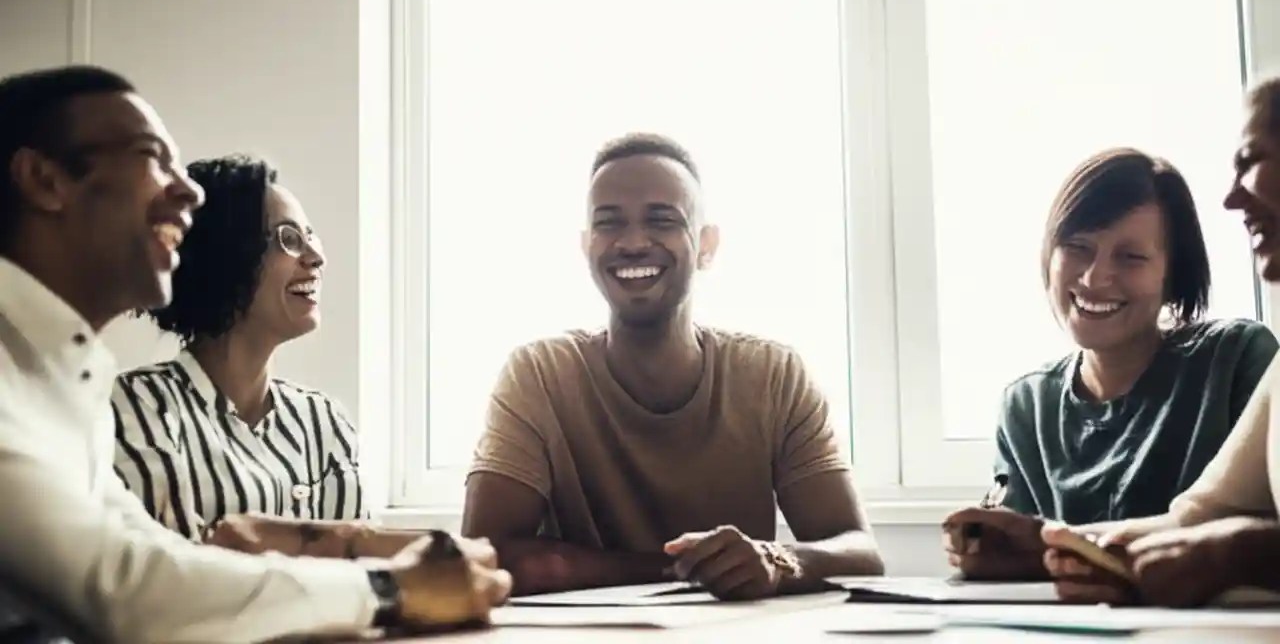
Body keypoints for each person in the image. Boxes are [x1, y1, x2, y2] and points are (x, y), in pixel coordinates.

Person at [0, 64, 510, 642]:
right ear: (44, 180)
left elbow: (146, 555)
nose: (188, 190)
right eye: (151, 156)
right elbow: (127, 589)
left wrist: (334, 544)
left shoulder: (69, 380)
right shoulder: (78, 394)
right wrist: (389, 589)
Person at [461, 132, 884, 600]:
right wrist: (686, 571)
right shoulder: (538, 374)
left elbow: (861, 554)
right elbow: (484, 556)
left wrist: (776, 561)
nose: (633, 241)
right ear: (586, 247)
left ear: (706, 245)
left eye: (661, 221)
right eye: (609, 223)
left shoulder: (773, 376)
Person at [942, 147, 1277, 580]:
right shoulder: (1025, 405)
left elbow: (1255, 536)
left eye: (1130, 257)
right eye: (1077, 248)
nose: (1094, 278)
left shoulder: (1236, 360)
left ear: (1173, 274)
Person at [1039, 76, 1280, 607]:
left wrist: (1236, 552)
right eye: (1078, 247)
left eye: (1250, 160)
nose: (1232, 197)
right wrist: (1042, 544)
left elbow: (1225, 537)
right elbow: (1194, 518)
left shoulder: (1240, 356)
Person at [111, 154, 403, 558]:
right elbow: (178, 571)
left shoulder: (325, 422)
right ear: (227, 257)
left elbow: (370, 570)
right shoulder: (137, 409)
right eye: (288, 239)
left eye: (311, 236)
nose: (316, 256)